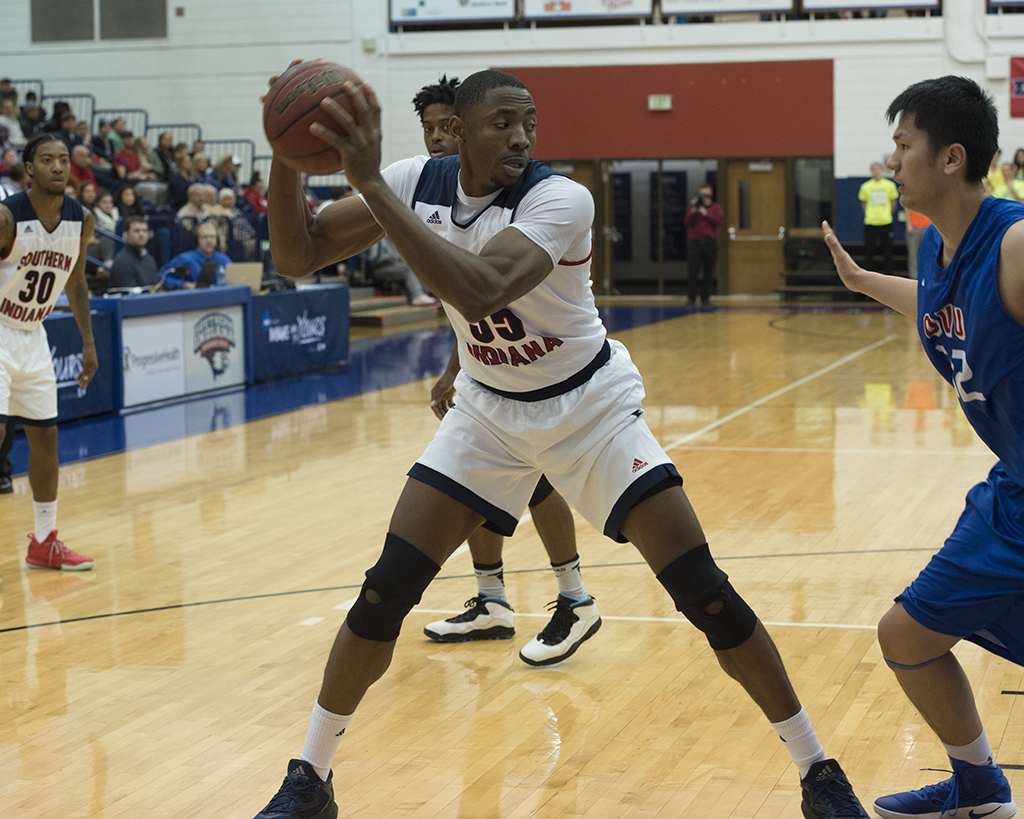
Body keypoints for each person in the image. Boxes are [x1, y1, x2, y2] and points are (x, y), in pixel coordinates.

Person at [250, 66, 868, 819]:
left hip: (589, 411)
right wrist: (287, 159)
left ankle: (818, 770)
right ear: (460, 129)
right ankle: (310, 777)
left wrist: (371, 185)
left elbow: (480, 288)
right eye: (503, 122)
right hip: (487, 413)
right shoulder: (416, 181)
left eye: (530, 122)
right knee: (384, 591)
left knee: (704, 592)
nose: (521, 136)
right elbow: (298, 255)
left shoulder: (561, 198)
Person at [823, 75, 1020, 819]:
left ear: (951, 157)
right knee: (908, 636)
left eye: (904, 144)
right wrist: (862, 280)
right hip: (1012, 493)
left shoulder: (1014, 243)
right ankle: (980, 790)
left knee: (908, 633)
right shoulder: (941, 249)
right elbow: (940, 305)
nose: (891, 159)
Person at [411, 73, 599, 659]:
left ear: (463, 130)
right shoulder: (429, 196)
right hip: (488, 372)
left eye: (444, 128)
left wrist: (457, 367)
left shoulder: (531, 199)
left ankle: (573, 594)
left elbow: (485, 295)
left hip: (543, 371)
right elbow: (465, 312)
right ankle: (492, 599)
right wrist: (457, 369)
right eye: (428, 129)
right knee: (475, 485)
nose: (436, 139)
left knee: (536, 483)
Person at [0, 133, 98, 583]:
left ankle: (44, 542)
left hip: (33, 333)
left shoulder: (81, 218)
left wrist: (88, 342)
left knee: (46, 437)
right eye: (46, 159)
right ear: (29, 168)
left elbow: (76, 282)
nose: (57, 166)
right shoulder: (7, 218)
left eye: (63, 159)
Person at [157, 220, 231, 289]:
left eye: (212, 237)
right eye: (205, 237)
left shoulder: (223, 259)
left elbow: (234, 279)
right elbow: (162, 276)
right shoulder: (185, 259)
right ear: (197, 240)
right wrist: (184, 284)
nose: (209, 241)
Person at [683, 183, 724, 306]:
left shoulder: (716, 208)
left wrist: (706, 213)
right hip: (695, 243)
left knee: (708, 271)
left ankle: (705, 297)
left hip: (709, 243)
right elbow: (687, 222)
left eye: (707, 194)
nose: (705, 197)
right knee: (693, 271)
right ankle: (691, 297)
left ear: (711, 195)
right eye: (702, 194)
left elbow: (718, 222)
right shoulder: (693, 208)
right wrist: (693, 211)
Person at [858, 161, 899, 276]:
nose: (876, 171)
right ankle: (869, 276)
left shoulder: (889, 185)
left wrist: (887, 214)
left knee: (887, 251)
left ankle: (889, 276)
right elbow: (864, 204)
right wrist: (871, 214)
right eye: (874, 169)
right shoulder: (865, 186)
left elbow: (893, 202)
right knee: (869, 251)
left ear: (882, 170)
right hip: (870, 222)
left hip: (886, 222)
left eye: (878, 168)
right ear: (871, 171)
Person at [109, 215, 159, 290]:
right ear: (126, 234)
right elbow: (130, 294)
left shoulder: (150, 259)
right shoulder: (122, 261)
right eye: (136, 231)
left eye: (144, 231)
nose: (141, 235)